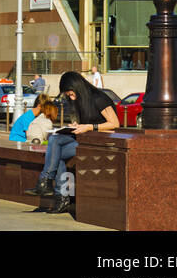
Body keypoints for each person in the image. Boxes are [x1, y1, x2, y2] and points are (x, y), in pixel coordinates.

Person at [26, 70, 119, 214]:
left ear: (78, 87)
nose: (71, 97)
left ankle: (51, 186)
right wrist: (76, 126)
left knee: (56, 154)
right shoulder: (81, 101)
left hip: (101, 142)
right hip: (86, 139)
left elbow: (115, 123)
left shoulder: (98, 98)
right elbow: (85, 124)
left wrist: (89, 126)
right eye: (68, 95)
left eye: (71, 93)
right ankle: (53, 188)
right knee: (55, 141)